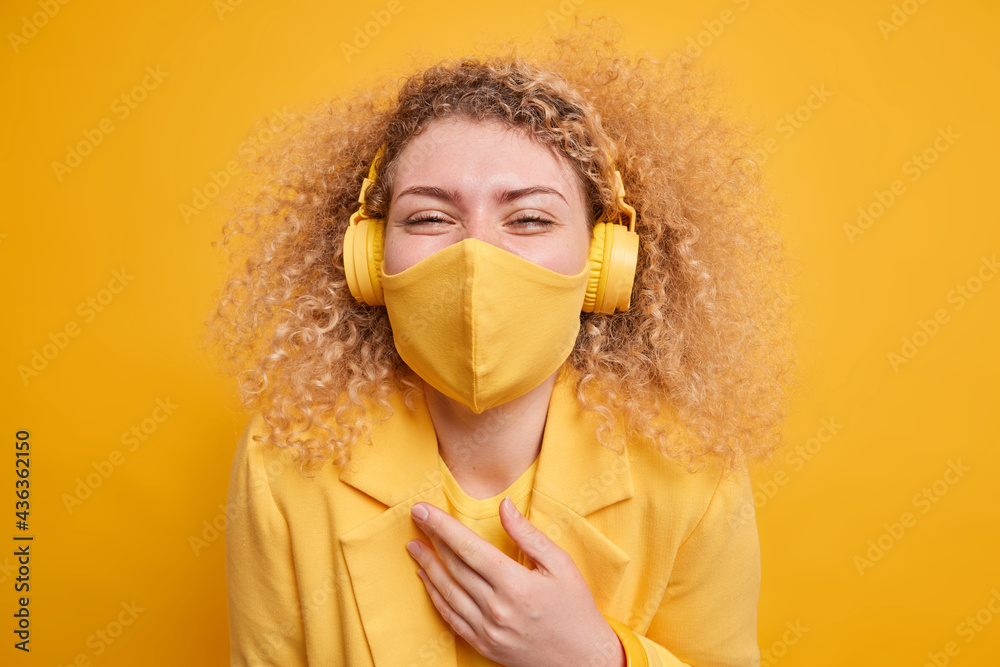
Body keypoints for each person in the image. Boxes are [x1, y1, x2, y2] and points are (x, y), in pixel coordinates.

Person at [207, 18, 795, 667]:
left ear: (606, 262)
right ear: (368, 261)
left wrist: (598, 657)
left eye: (530, 217)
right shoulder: (283, 461)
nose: (476, 255)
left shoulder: (691, 466)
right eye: (430, 216)